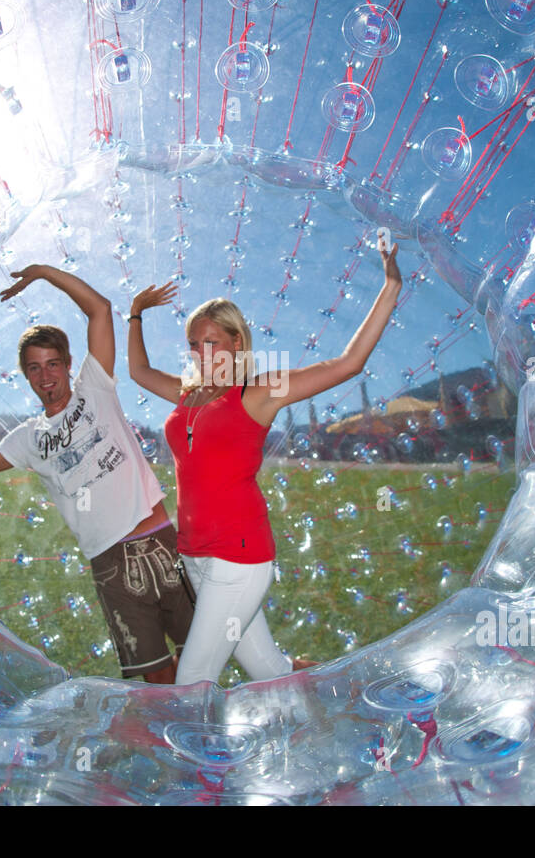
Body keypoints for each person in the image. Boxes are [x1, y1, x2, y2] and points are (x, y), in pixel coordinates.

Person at [128, 231, 402, 686]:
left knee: (191, 684)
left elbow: (347, 363)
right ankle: (361, 693)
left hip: (238, 558)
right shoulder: (187, 393)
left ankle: (202, 759)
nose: (200, 353)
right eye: (194, 344)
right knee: (270, 671)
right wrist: (136, 312)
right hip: (194, 555)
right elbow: (138, 371)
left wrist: (390, 286)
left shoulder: (256, 392)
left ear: (237, 343)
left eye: (211, 342)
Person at [0, 264, 194, 685]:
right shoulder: (29, 438)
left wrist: (44, 273)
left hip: (160, 543)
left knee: (203, 658)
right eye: (34, 368)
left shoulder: (94, 388)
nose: (45, 376)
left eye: (52, 364)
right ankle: (190, 742)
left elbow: (99, 310)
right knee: (158, 681)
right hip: (110, 565)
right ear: (26, 376)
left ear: (68, 365)